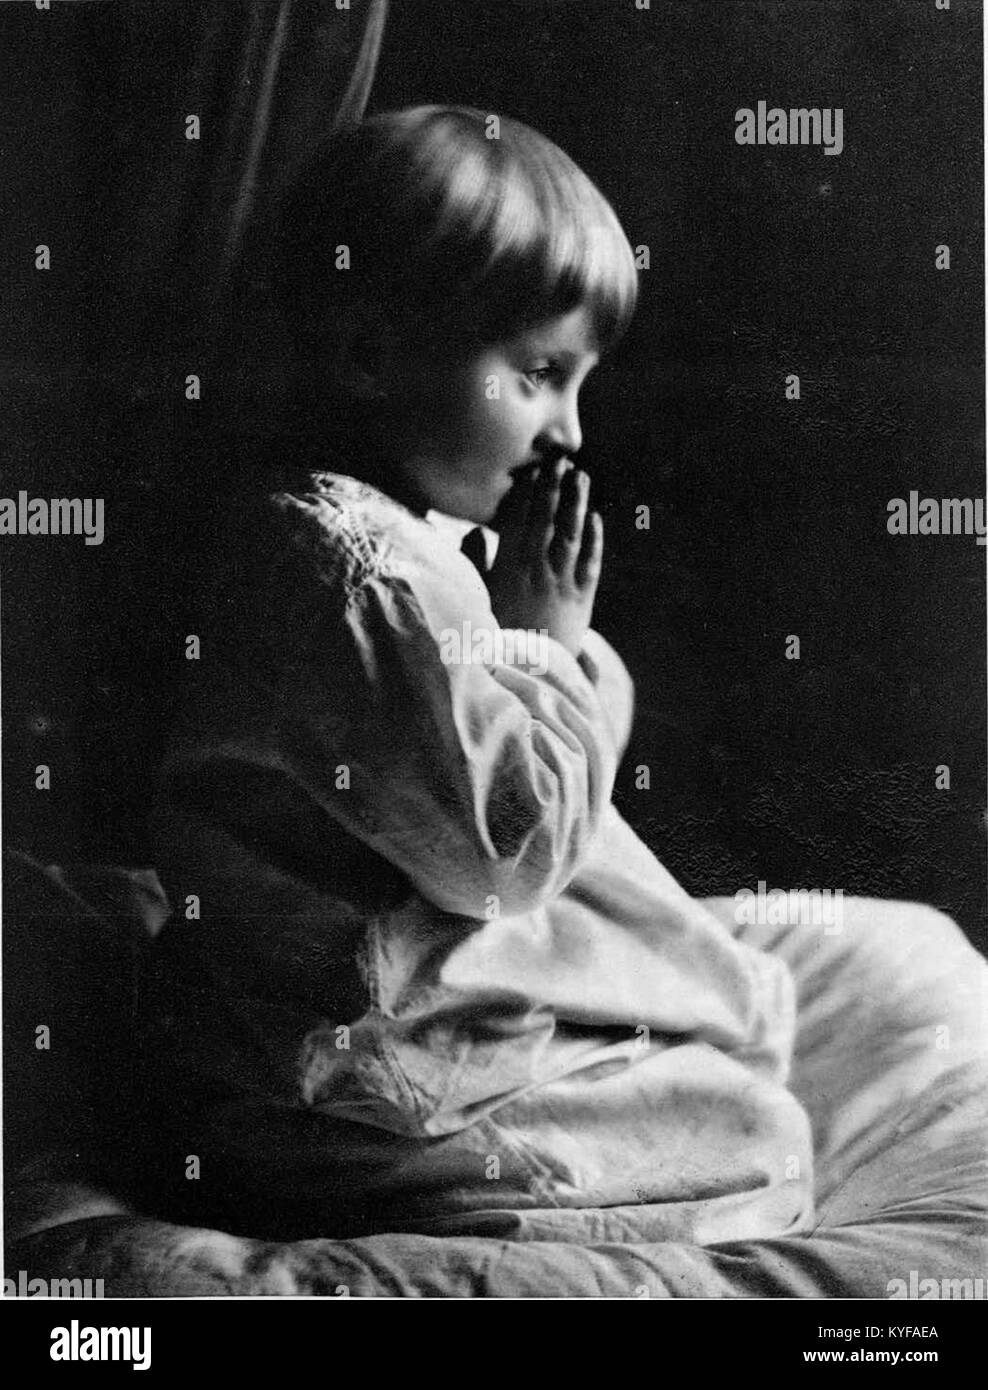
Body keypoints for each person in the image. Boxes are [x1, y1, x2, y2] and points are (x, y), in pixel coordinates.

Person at [139, 105, 814, 1244]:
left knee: (699, 1041)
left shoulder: (341, 537)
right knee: (753, 1130)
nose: (568, 431)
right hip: (346, 1085)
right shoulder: (370, 582)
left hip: (295, 1034)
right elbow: (508, 857)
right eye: (541, 373)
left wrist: (526, 645)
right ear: (370, 354)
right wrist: (542, 644)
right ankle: (383, 1194)